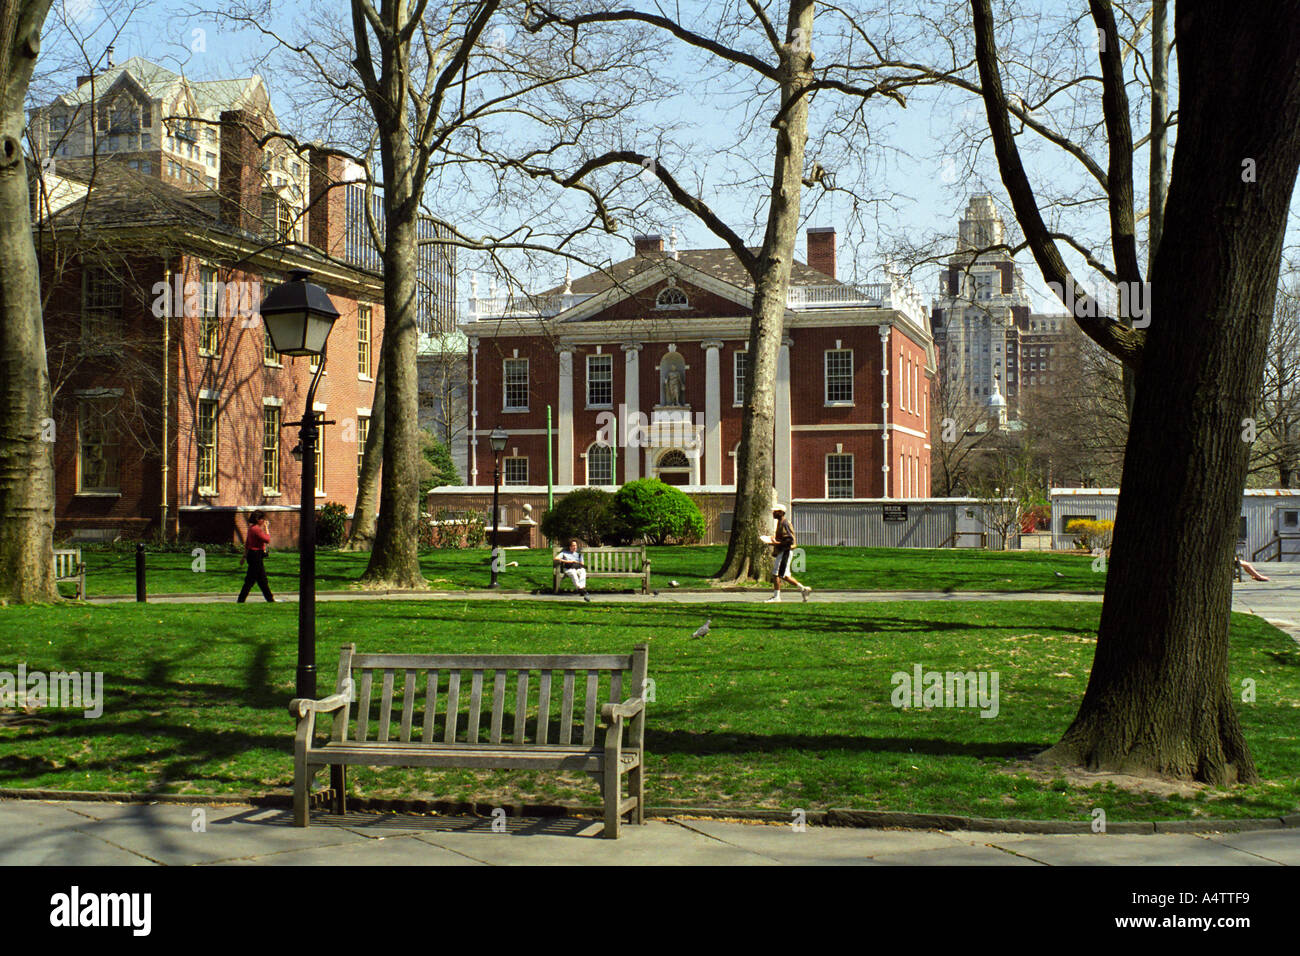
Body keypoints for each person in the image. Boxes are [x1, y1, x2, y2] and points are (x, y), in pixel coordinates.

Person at [765, 503, 810, 602]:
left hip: (785, 552)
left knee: (776, 574)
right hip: (783, 551)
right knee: (784, 575)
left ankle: (777, 597)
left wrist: (775, 543)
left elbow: (789, 540)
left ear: (781, 512)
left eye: (775, 511)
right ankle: (803, 589)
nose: (773, 513)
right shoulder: (781, 522)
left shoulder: (785, 523)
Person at [238, 510, 276, 602]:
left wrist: (244, 556)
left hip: (253, 555)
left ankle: (270, 599)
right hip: (256, 556)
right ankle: (241, 599)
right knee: (250, 580)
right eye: (262, 519)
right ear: (258, 519)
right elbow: (267, 539)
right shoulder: (256, 529)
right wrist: (267, 528)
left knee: (262, 580)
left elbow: (247, 543)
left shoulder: (251, 529)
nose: (263, 521)